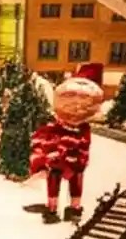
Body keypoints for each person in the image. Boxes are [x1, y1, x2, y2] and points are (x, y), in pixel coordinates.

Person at [30, 62, 105, 224]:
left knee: (75, 176)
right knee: (57, 175)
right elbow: (51, 139)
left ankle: (72, 207)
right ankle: (54, 208)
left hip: (73, 159)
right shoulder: (60, 125)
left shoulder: (83, 128)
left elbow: (84, 145)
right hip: (58, 157)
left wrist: (77, 157)